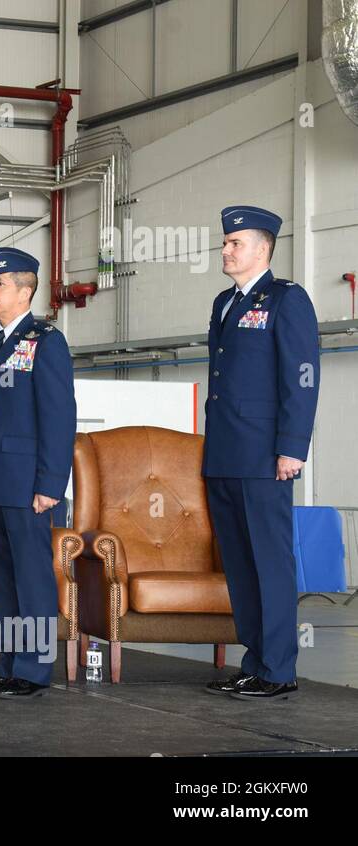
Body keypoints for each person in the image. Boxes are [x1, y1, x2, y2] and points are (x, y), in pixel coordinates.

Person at [203, 205, 319, 702]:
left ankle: (279, 670)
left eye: (235, 243)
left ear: (263, 248)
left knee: (270, 562)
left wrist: (292, 447)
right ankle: (256, 662)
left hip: (265, 456)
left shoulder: (287, 300)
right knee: (241, 564)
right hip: (225, 454)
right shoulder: (223, 304)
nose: (226, 250)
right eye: (225, 242)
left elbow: (302, 377)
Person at [0, 247, 76, 701]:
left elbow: (58, 416)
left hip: (29, 485)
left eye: (1, 284)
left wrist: (50, 485)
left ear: (26, 291)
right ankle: (9, 664)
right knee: (1, 579)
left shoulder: (45, 341)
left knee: (31, 578)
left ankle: (32, 671)